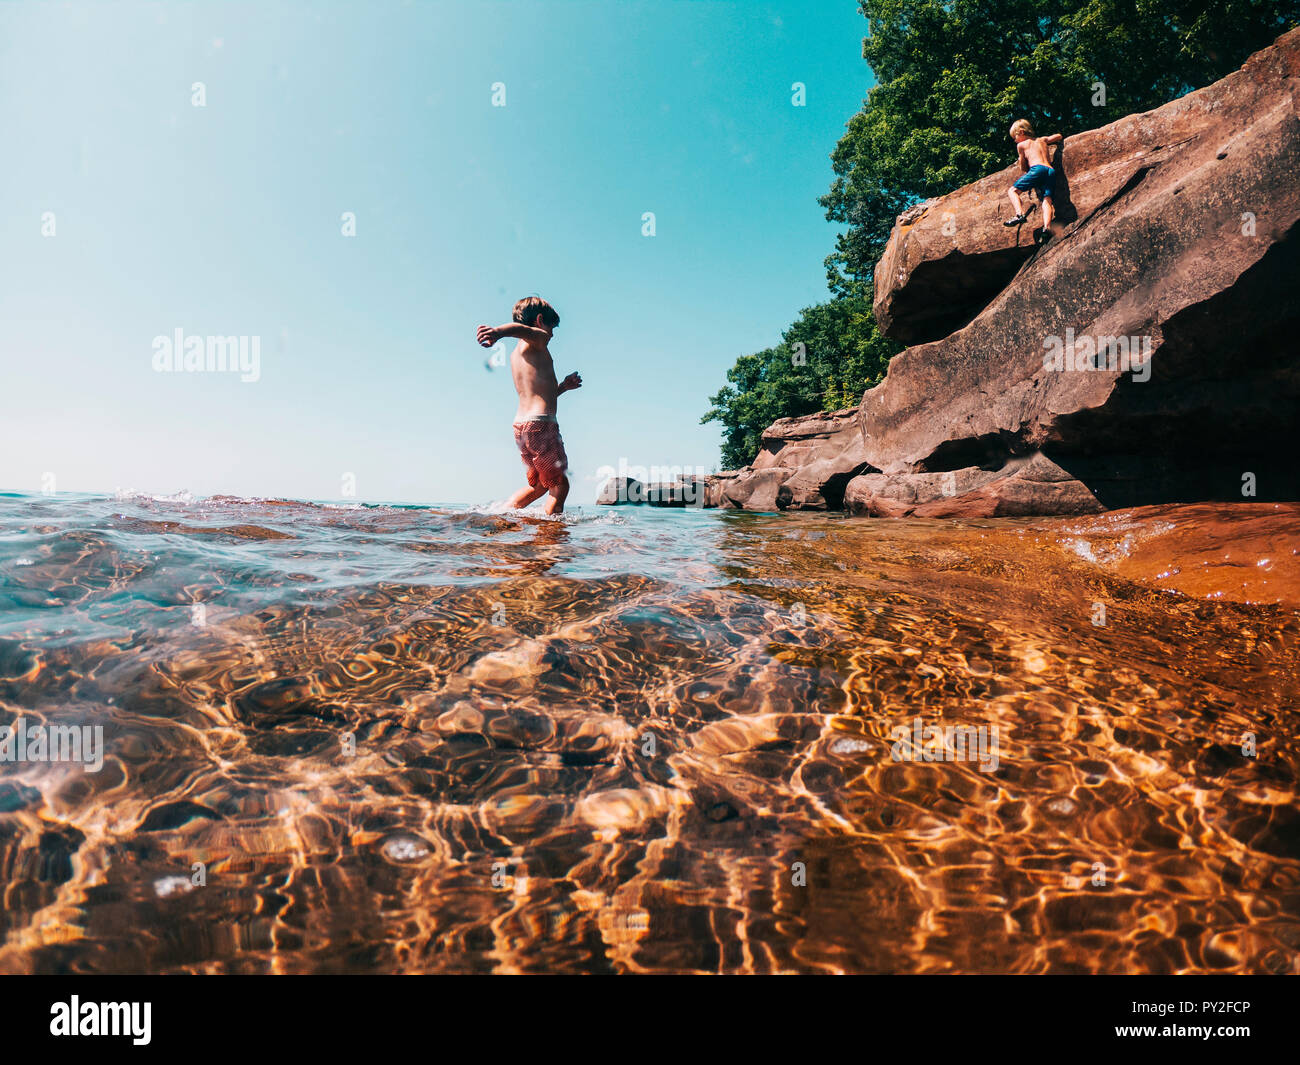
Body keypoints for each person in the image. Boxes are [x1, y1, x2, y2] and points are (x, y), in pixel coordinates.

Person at [476, 296, 582, 515]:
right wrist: (498, 332)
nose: (551, 335)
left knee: (540, 485)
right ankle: (549, 539)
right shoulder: (537, 338)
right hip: (541, 427)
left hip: (521, 429)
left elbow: (542, 394)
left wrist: (563, 387)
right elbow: (523, 330)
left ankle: (501, 514)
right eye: (552, 329)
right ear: (540, 321)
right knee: (560, 485)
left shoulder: (518, 354)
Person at [1004, 119, 1063, 243]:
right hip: (1050, 170)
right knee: (1047, 200)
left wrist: (1022, 160)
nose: (1014, 140)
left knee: (1012, 191)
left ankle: (1019, 214)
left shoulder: (1021, 145)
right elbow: (1058, 136)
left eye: (1015, 136)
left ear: (1021, 132)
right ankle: (1046, 228)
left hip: (1037, 169)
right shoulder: (1042, 140)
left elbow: (1024, 167)